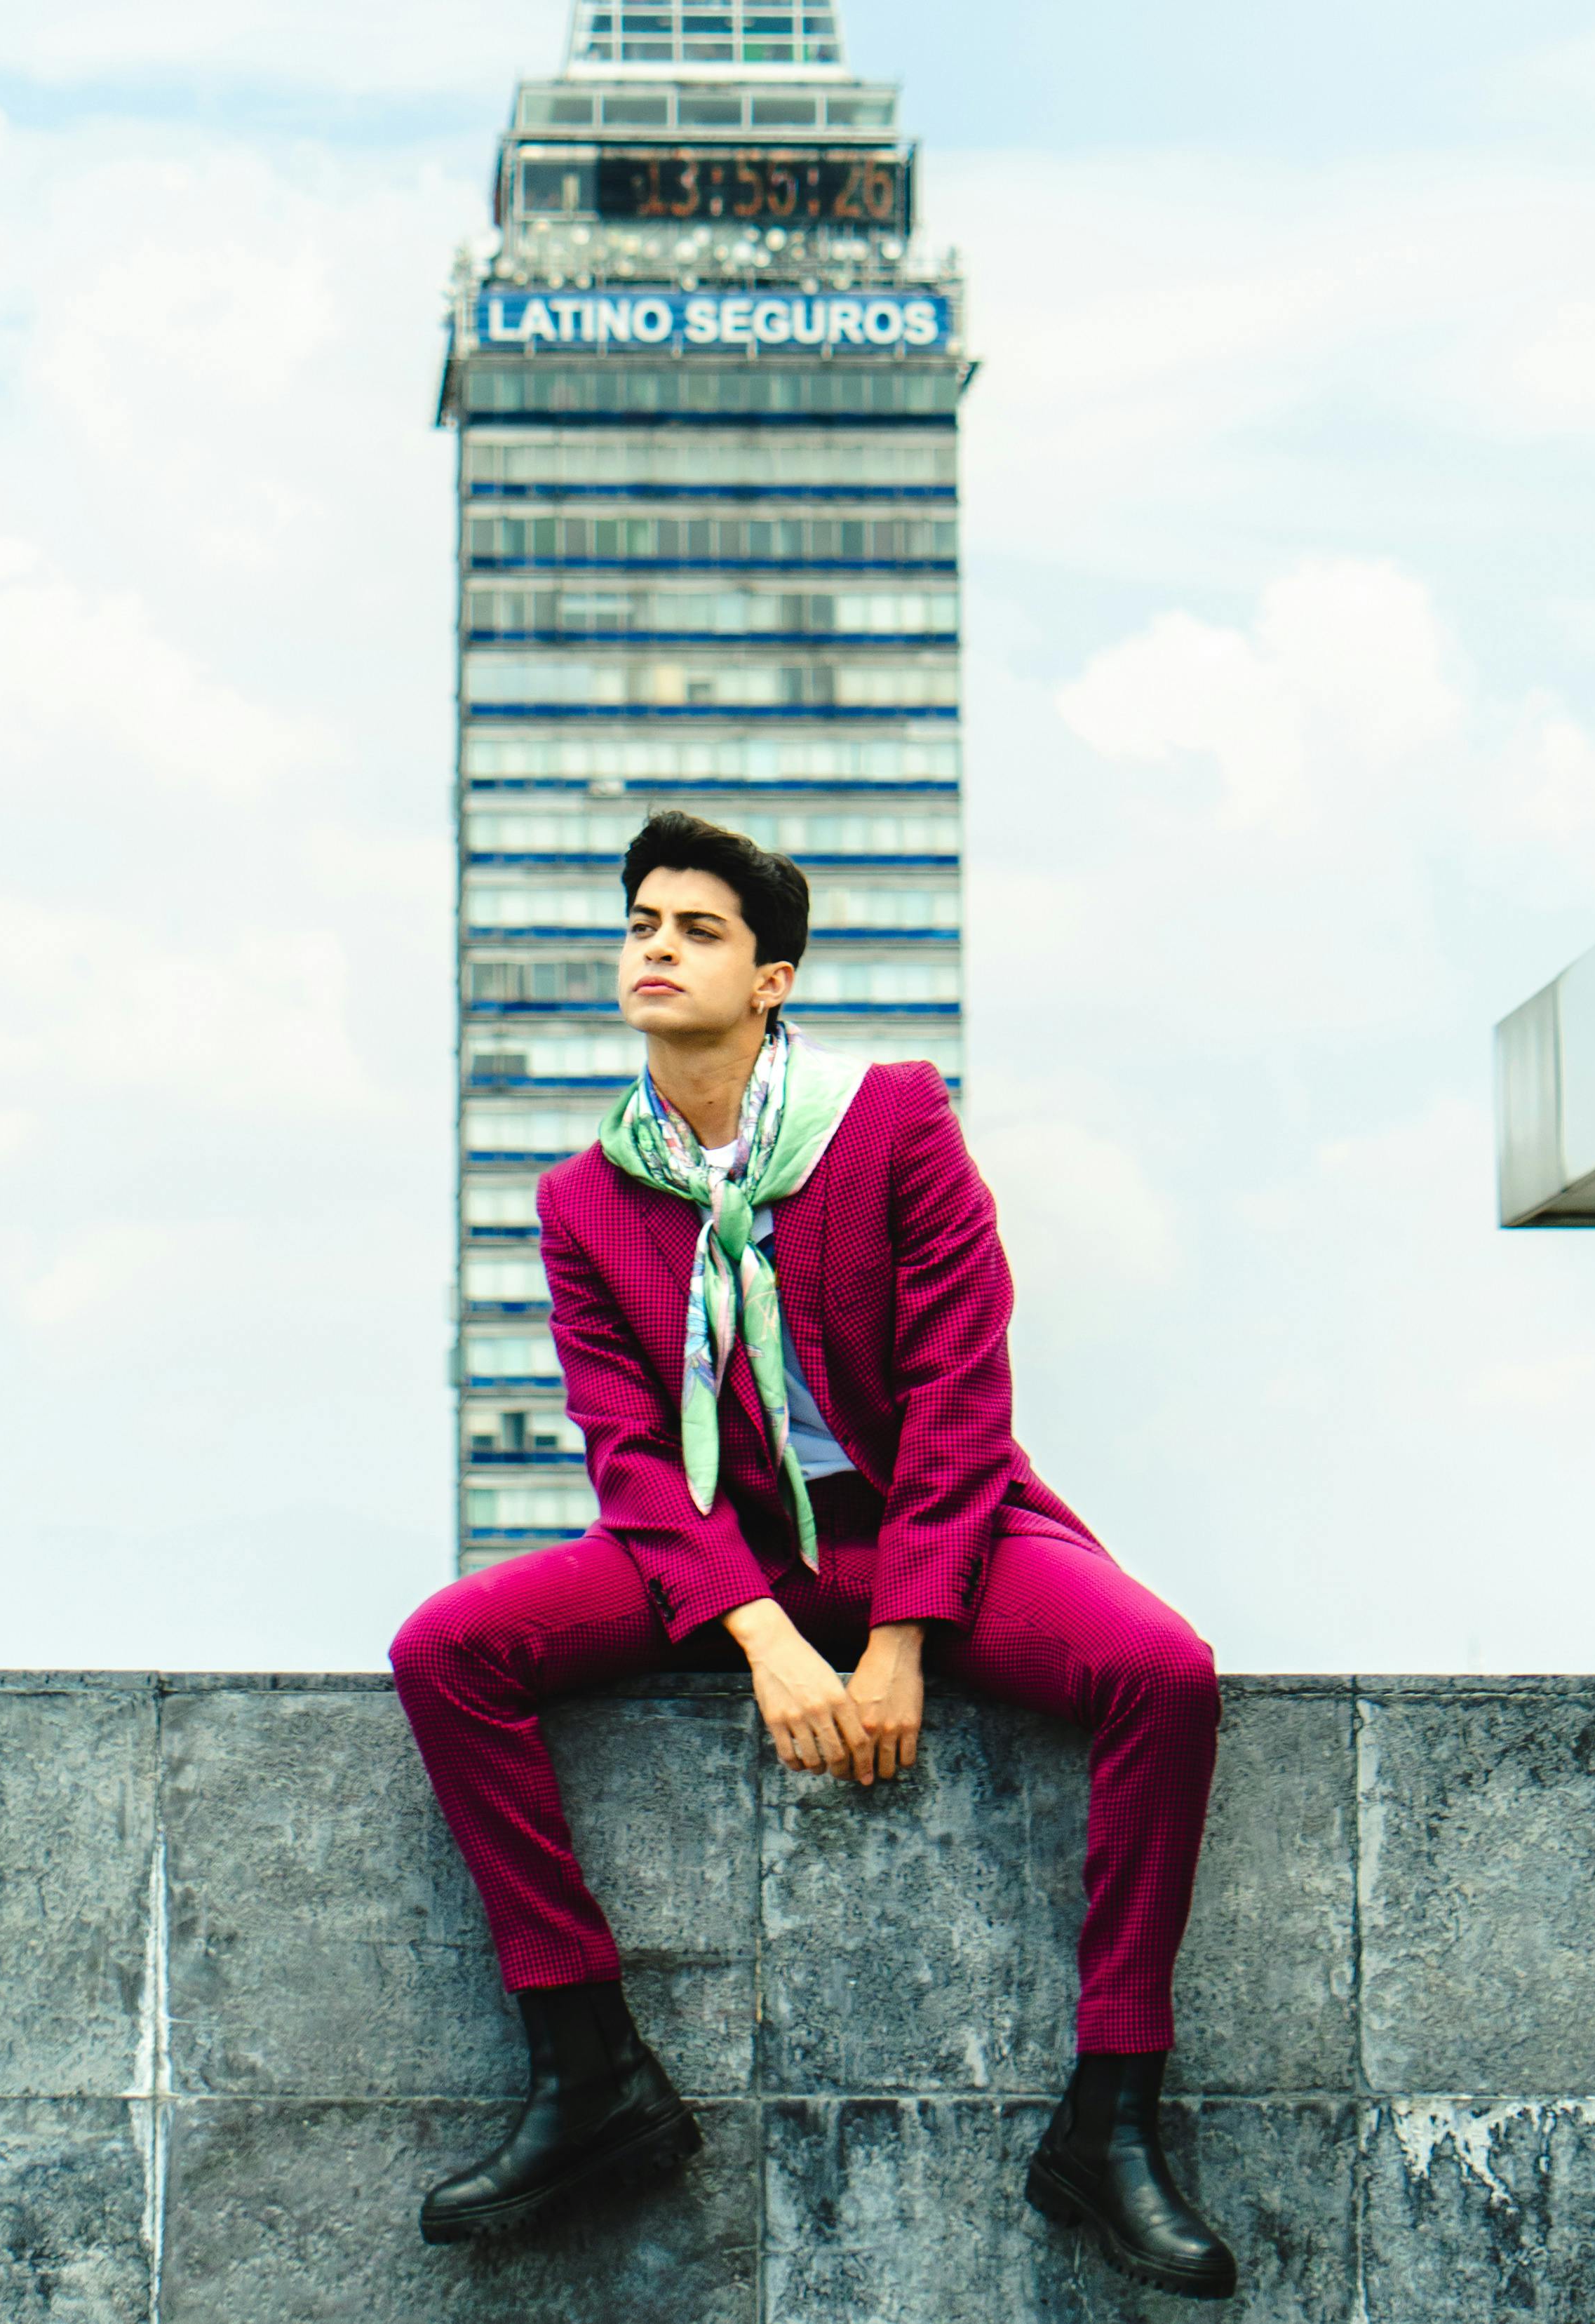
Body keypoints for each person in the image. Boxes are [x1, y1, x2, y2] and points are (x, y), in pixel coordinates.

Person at [390, 807, 1235, 2297]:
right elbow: (629, 1455)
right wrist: (769, 1641)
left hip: (928, 1528)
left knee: (1161, 1672)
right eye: (642, 921)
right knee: (446, 1648)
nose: (656, 945)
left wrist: (895, 1638)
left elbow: (963, 1389)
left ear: (771, 976)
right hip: (733, 1557)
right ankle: (588, 2070)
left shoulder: (890, 1117)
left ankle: (1109, 2118)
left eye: (697, 928)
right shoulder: (584, 1197)